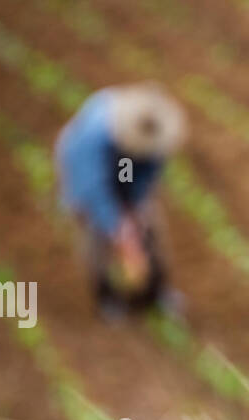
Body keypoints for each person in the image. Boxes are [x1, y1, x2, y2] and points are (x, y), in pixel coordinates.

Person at [55, 83, 186, 321]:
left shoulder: (155, 132)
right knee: (95, 233)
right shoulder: (92, 139)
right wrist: (120, 230)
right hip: (85, 175)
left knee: (149, 225)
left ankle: (156, 290)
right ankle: (105, 296)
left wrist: (135, 209)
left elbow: (147, 175)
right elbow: (93, 191)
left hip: (126, 170)